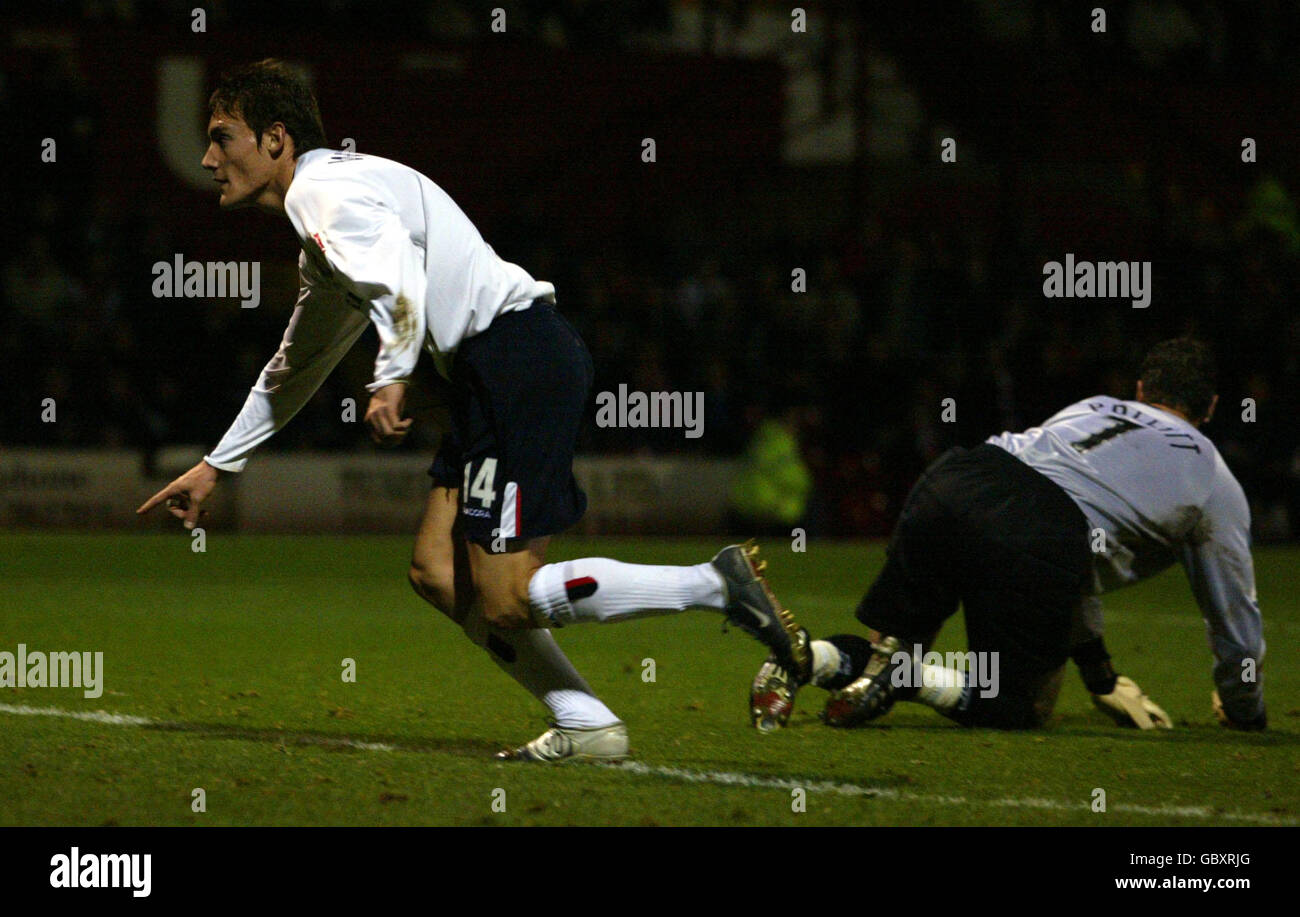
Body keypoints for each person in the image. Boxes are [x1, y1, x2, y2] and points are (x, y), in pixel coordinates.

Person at [136, 59, 803, 763]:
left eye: (222, 137)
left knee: (506, 597)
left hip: (516, 359)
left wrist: (391, 374)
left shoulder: (322, 194)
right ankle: (584, 720)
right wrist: (217, 465)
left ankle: (713, 584)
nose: (209, 158)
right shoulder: (333, 214)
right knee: (436, 570)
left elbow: (395, 276)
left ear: (275, 139)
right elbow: (295, 366)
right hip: (490, 371)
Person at [752, 338, 1266, 733]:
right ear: (1212, 407)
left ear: (1141, 389)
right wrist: (1244, 710)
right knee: (1020, 705)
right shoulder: (1214, 480)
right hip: (1035, 528)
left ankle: (802, 655)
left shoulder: (1092, 407)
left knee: (893, 647)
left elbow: (1073, 534)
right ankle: (910, 678)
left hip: (957, 478)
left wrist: (1102, 676)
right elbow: (1233, 617)